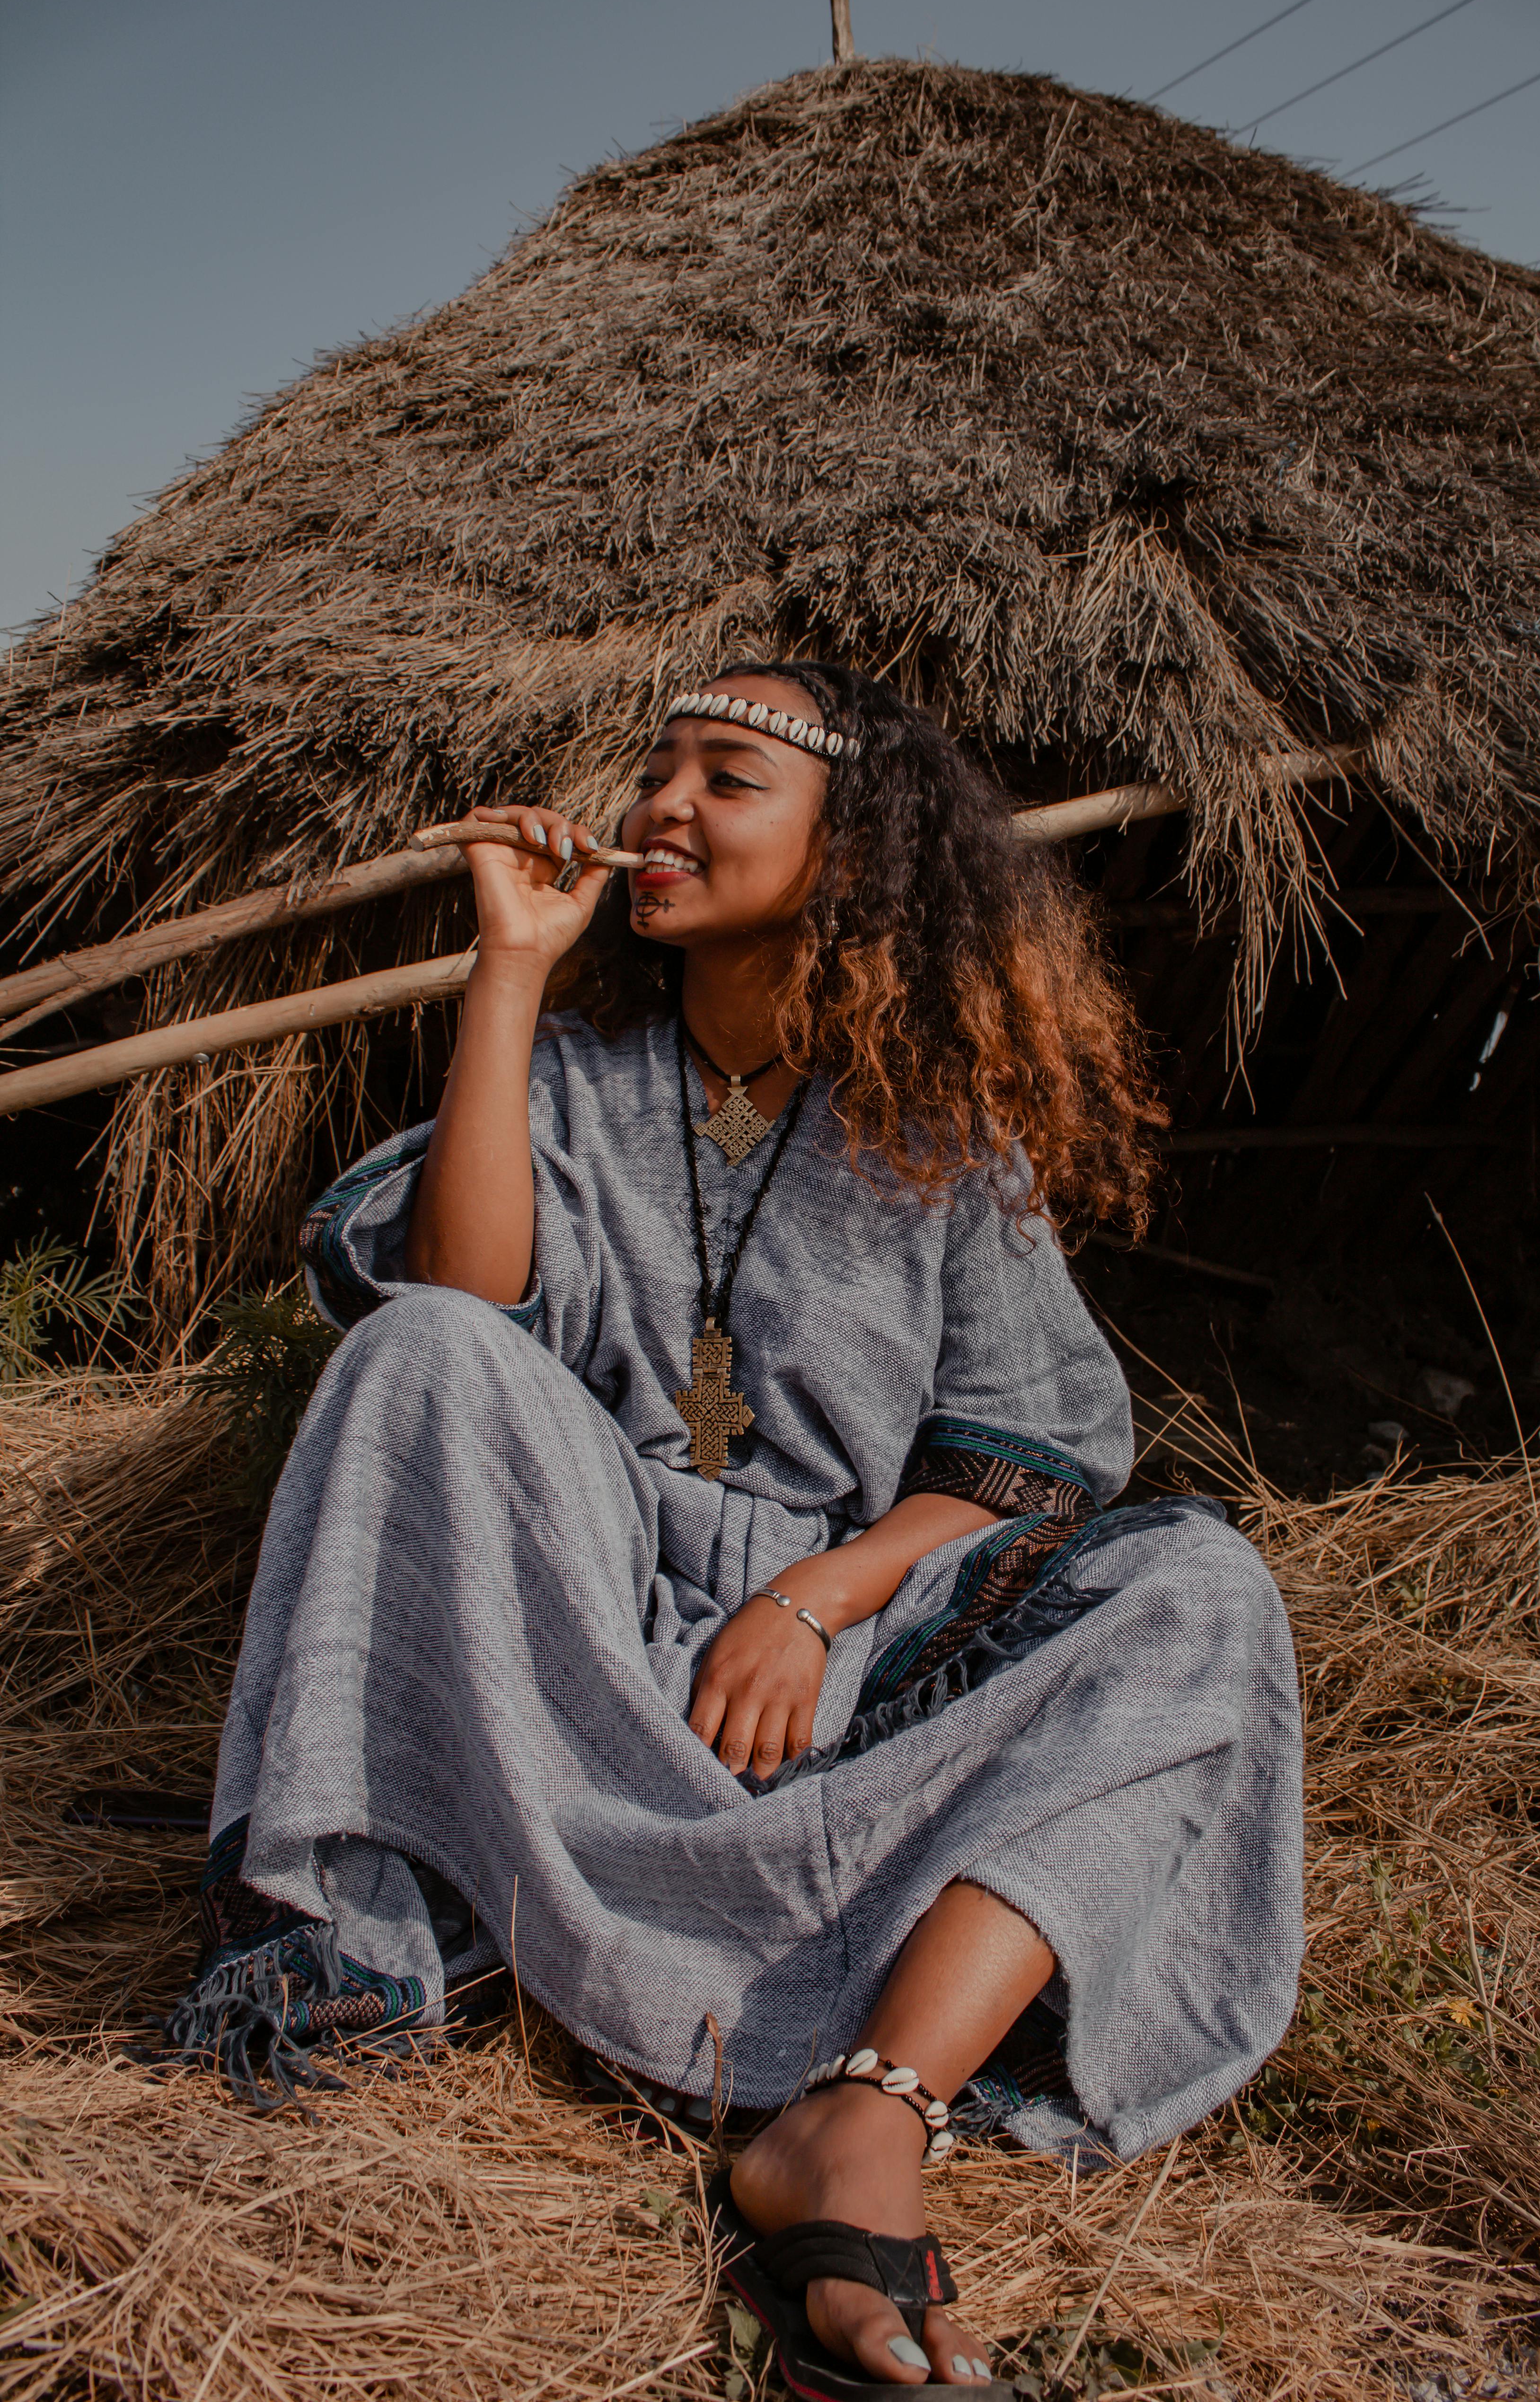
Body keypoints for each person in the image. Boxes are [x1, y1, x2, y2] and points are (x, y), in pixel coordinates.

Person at [165, 664, 1303, 2398]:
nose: (664, 807)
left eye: (731, 777)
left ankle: (867, 2113)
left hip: (832, 1684)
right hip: (570, 1621)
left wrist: (827, 1600)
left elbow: (1030, 1455)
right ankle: (381, 1954)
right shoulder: (569, 1074)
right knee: (422, 1353)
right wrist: (512, 972)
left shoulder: (938, 1131)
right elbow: (461, 1304)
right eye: (659, 772)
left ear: (850, 856)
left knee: (1200, 1589)